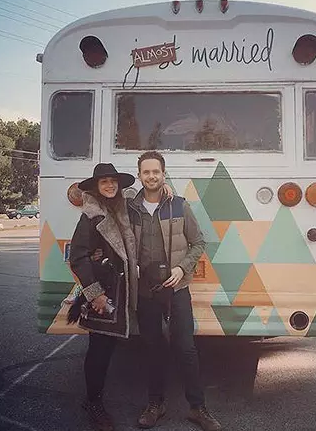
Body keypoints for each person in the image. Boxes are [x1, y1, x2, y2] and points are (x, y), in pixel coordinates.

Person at [127, 151, 222, 431]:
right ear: (139, 175)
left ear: (163, 174)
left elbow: (199, 242)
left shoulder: (179, 206)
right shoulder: (131, 208)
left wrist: (182, 268)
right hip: (145, 291)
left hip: (177, 288)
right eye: (146, 172)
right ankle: (155, 404)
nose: (151, 176)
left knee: (186, 349)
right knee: (153, 348)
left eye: (156, 172)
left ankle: (198, 408)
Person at [69, 163, 139, 431]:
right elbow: (78, 257)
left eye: (113, 181)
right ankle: (93, 401)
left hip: (121, 291)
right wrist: (95, 294)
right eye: (104, 182)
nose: (110, 185)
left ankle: (95, 398)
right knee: (99, 350)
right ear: (96, 188)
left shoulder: (122, 210)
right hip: (102, 293)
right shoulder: (90, 216)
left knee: (110, 348)